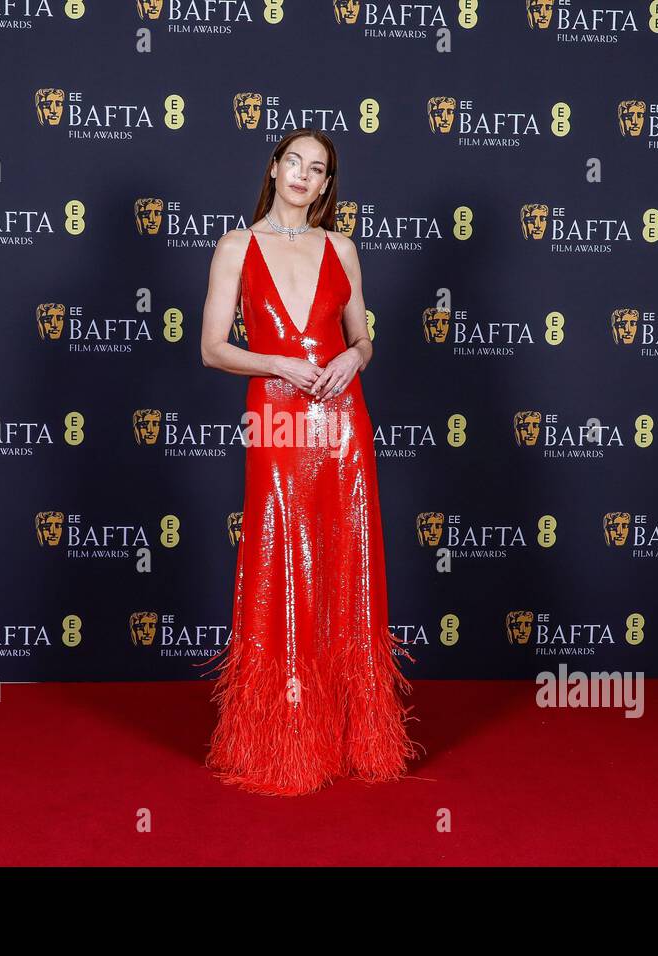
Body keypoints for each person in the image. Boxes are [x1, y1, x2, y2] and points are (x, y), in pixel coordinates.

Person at [197, 128, 424, 796]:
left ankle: (357, 735)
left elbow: (360, 337)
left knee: (346, 555)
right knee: (281, 556)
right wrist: (277, 362)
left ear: (326, 184)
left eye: (316, 167)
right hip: (277, 412)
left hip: (345, 419)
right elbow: (212, 348)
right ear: (274, 168)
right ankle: (283, 734)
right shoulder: (236, 246)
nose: (301, 174)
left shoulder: (342, 248)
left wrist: (357, 355)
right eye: (292, 161)